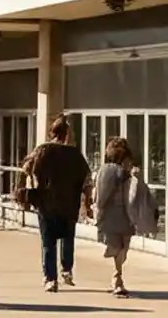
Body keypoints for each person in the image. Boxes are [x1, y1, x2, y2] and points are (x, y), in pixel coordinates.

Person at [20, 114, 92, 293]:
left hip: (46, 204)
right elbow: (87, 181)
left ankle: (50, 279)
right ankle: (66, 269)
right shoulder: (75, 155)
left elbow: (26, 169)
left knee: (48, 242)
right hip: (69, 205)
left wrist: (28, 192)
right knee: (68, 239)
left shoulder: (42, 151)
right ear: (66, 134)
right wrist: (87, 203)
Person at [94, 137, 137, 298]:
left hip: (126, 215)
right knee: (118, 246)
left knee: (124, 247)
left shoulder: (127, 174)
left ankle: (117, 274)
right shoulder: (108, 172)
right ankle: (117, 278)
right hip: (113, 215)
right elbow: (100, 195)